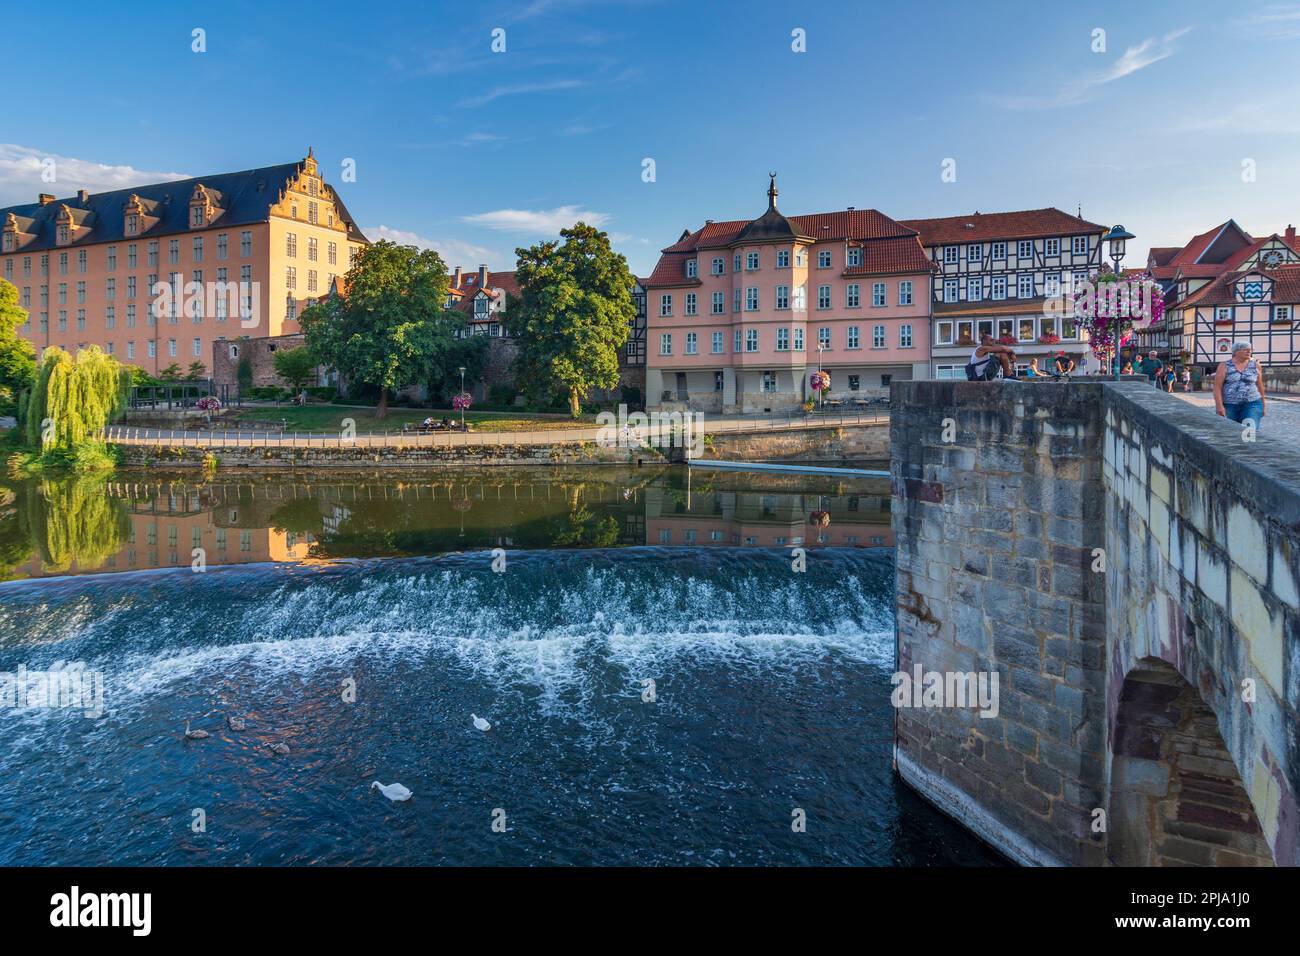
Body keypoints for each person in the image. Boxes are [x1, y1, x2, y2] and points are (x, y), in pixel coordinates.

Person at [1214, 342, 1267, 430]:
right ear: (1236, 351)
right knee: (1230, 433)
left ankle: (1248, 444)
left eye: (1250, 349)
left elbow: (1259, 386)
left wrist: (1264, 405)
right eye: (1245, 349)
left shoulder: (1255, 365)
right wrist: (1219, 406)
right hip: (1229, 405)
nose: (1249, 351)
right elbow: (1217, 387)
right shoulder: (1224, 365)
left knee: (1249, 432)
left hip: (1252, 403)